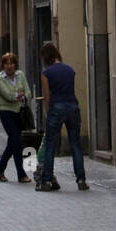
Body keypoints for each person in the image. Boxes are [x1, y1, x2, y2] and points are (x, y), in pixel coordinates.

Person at [37, 41, 88, 192]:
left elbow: (47, 97)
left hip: (56, 108)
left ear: (45, 58)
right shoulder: (70, 70)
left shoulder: (46, 73)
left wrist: (48, 112)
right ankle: (81, 180)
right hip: (72, 107)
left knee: (50, 145)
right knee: (75, 144)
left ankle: (46, 181)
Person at [0, 52, 33, 184]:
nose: (9, 66)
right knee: (16, 141)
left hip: (20, 112)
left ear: (15, 64)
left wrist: (20, 95)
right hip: (6, 112)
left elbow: (28, 92)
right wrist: (18, 95)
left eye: (11, 63)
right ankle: (21, 174)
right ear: (3, 65)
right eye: (6, 63)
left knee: (13, 142)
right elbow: (7, 95)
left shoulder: (20, 74)